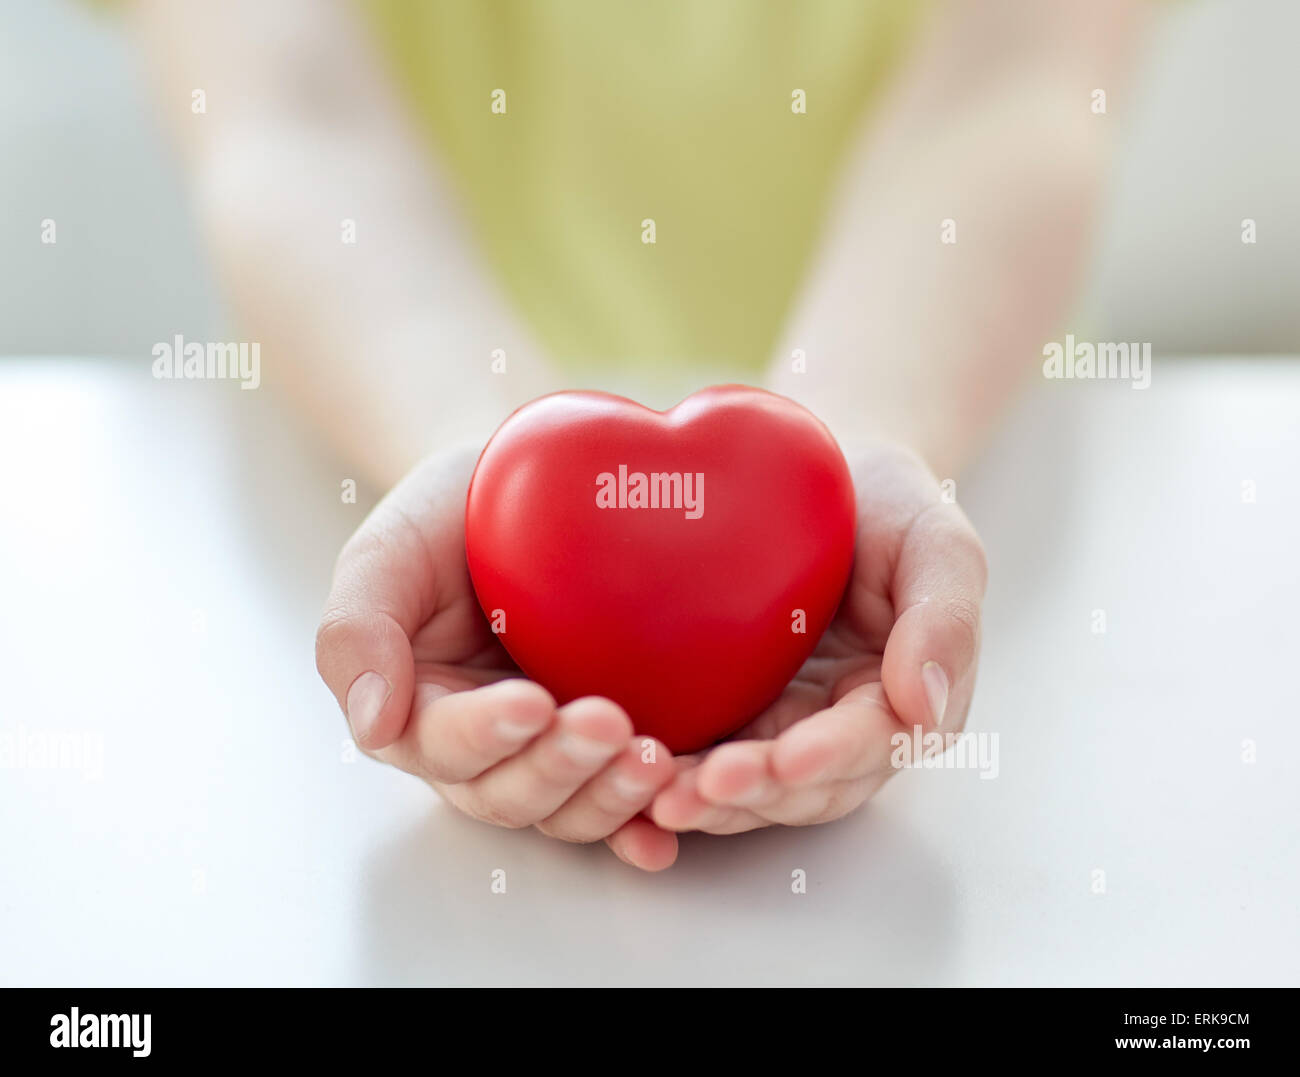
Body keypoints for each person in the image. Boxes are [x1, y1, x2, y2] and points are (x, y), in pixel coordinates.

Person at [124, 0, 1151, 869]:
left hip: (962, 404)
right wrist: (474, 451)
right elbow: (291, 113)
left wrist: (859, 441)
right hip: (364, 403)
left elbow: (1011, 83)